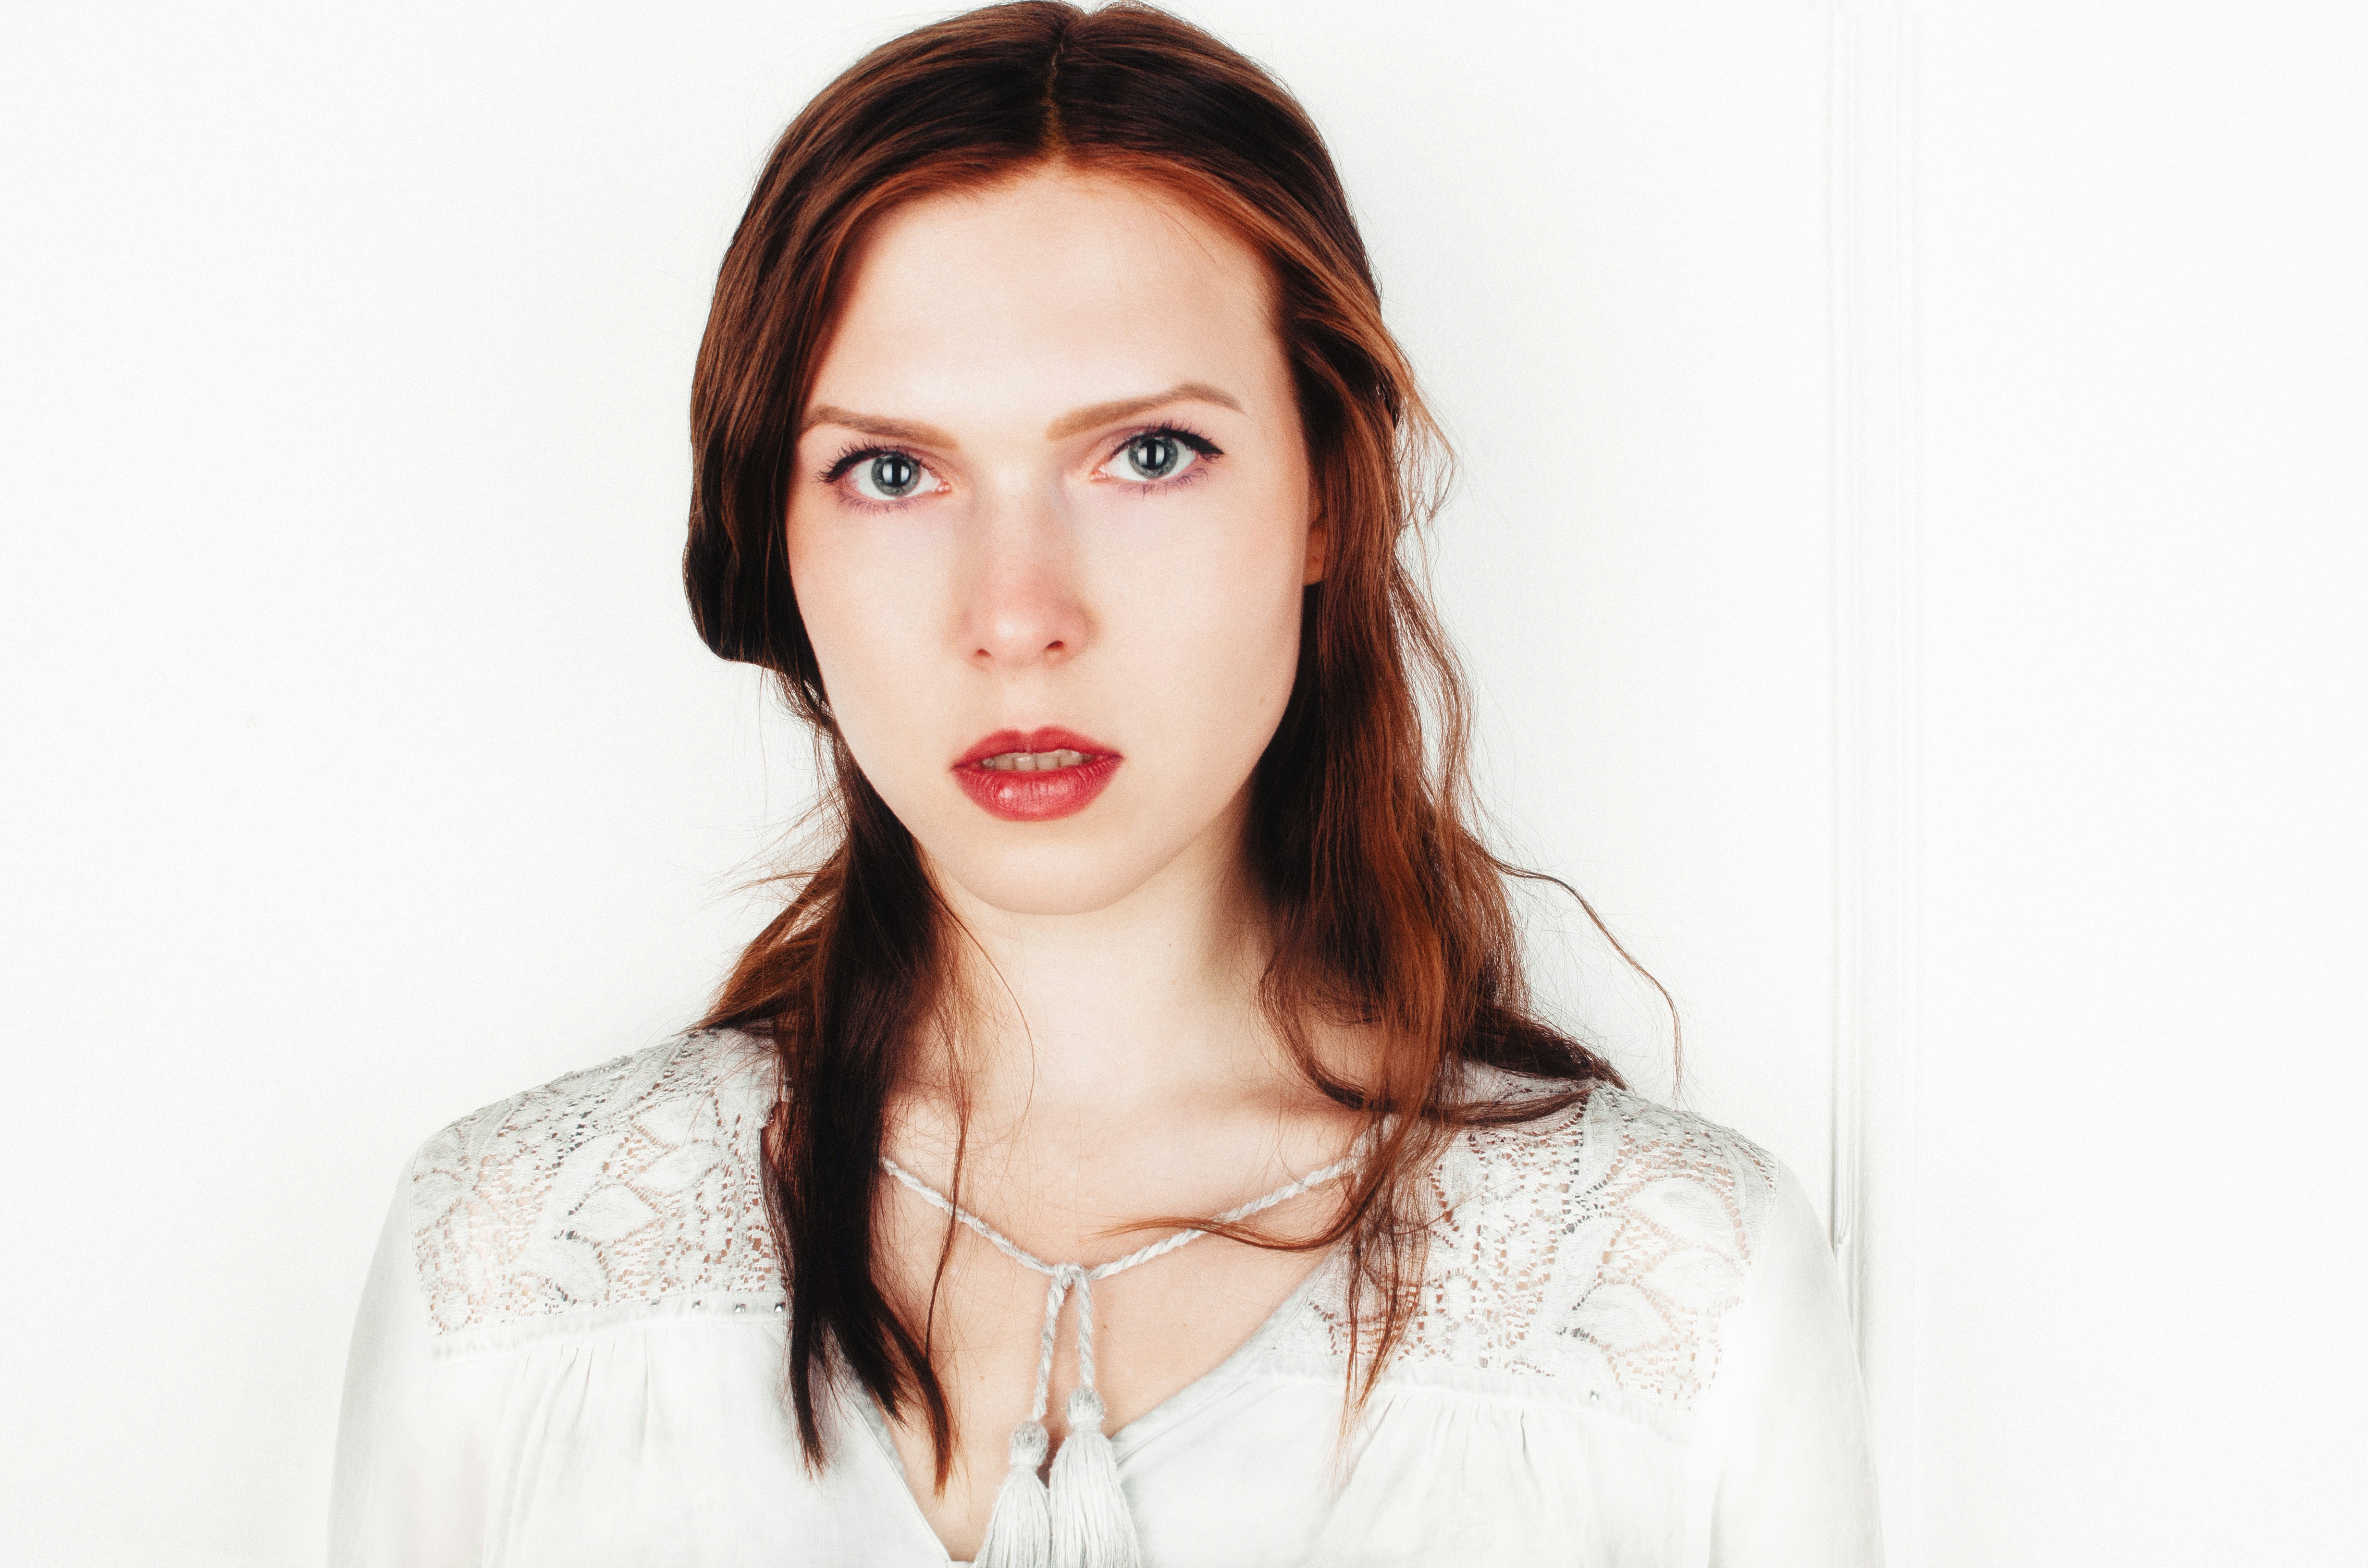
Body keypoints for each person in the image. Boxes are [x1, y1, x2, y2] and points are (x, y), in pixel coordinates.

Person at [329, 4, 1882, 1563]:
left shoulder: (1684, 1299)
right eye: (892, 470)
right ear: (776, 534)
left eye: (1147, 455)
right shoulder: (507, 1270)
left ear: (1334, 493)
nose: (1017, 616)